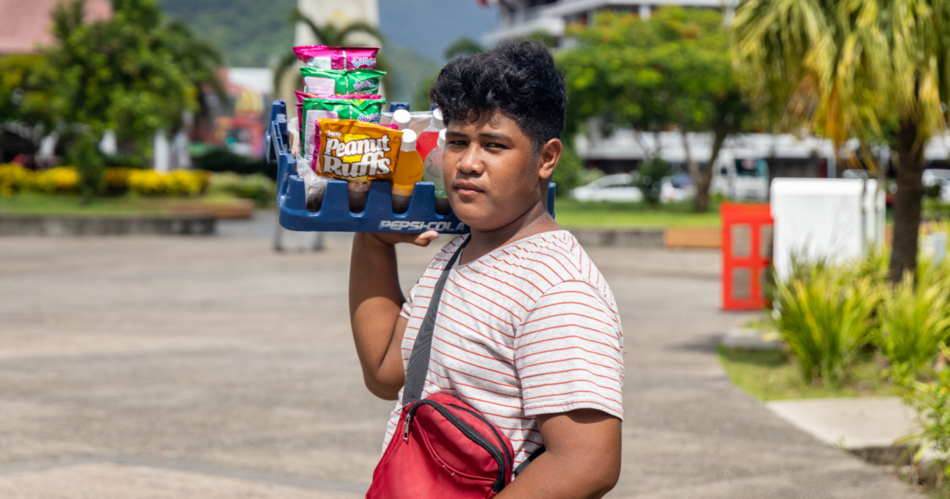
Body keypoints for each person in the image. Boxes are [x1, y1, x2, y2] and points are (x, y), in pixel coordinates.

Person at [348, 40, 623, 498]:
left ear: (546, 158)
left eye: (494, 145)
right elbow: (384, 372)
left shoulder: (559, 289)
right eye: (457, 142)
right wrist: (373, 237)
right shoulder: (461, 252)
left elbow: (587, 462)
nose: (468, 164)